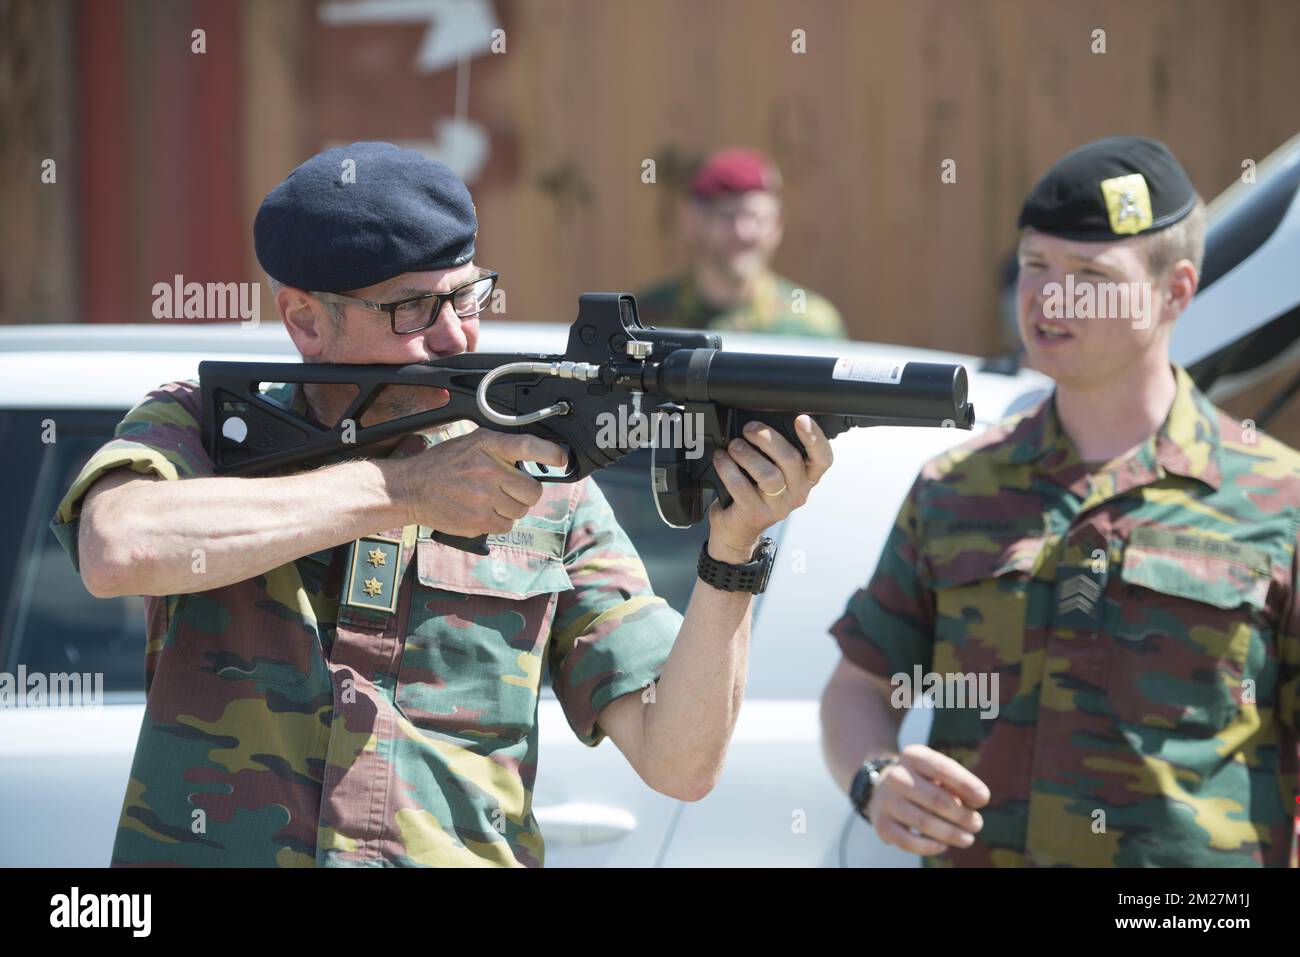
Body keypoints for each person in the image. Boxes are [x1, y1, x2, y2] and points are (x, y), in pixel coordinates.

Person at [51, 141, 833, 867]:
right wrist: (401, 490)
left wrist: (734, 554)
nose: (458, 336)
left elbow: (679, 759)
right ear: (304, 320)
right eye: (414, 311)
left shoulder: (539, 480)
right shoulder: (199, 428)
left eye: (469, 296)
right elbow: (120, 548)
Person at [820, 136, 1300, 867]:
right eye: (1035, 266)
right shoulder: (955, 486)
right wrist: (875, 777)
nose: (1049, 296)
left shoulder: (1277, 498)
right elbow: (861, 681)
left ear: (1175, 290)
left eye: (1089, 274)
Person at [635, 147, 847, 339]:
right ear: (695, 223)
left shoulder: (810, 326)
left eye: (756, 218)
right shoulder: (644, 321)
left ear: (777, 225)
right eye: (727, 216)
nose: (743, 233)